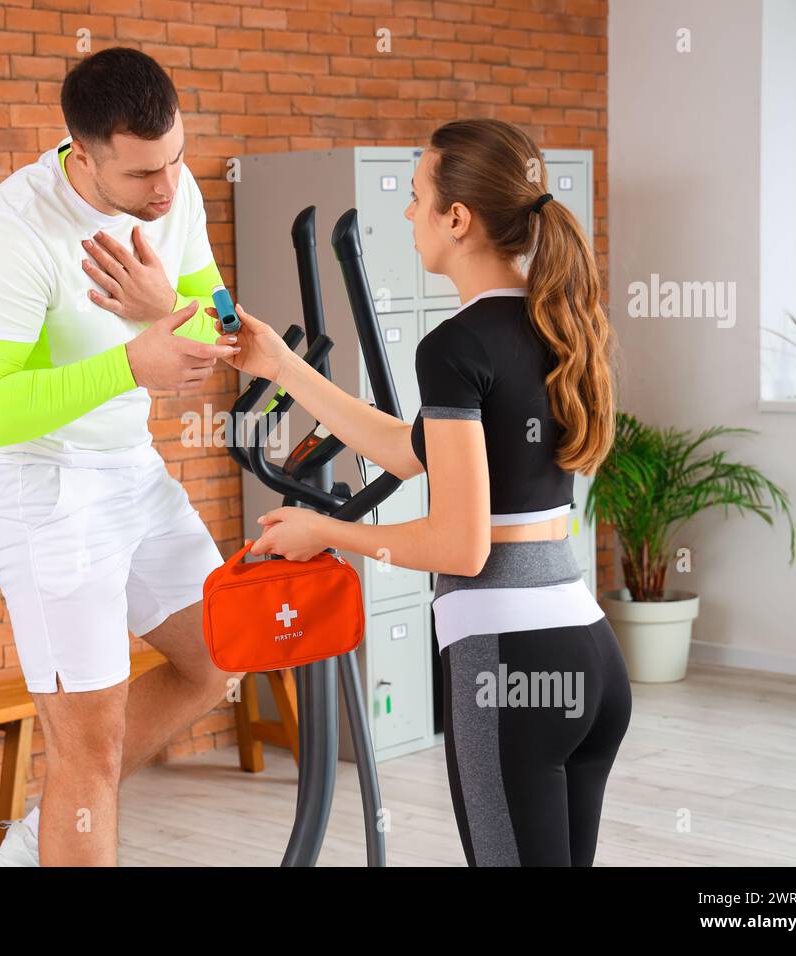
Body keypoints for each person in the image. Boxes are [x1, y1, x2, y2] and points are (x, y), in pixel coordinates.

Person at [225, 118, 633, 866]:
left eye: (417, 198)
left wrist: (327, 532)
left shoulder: (453, 346)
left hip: (509, 665)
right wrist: (283, 367)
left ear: (458, 218)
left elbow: (459, 544)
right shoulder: (551, 320)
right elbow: (415, 454)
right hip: (589, 656)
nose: (407, 214)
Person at [0, 47, 242, 867]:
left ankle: (39, 840)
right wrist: (129, 363)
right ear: (83, 155)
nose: (167, 188)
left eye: (177, 159)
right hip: (42, 489)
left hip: (132, 469)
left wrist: (170, 313)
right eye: (145, 173)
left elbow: (217, 323)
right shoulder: (11, 232)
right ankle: (74, 806)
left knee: (221, 655)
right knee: (90, 747)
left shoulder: (171, 198)